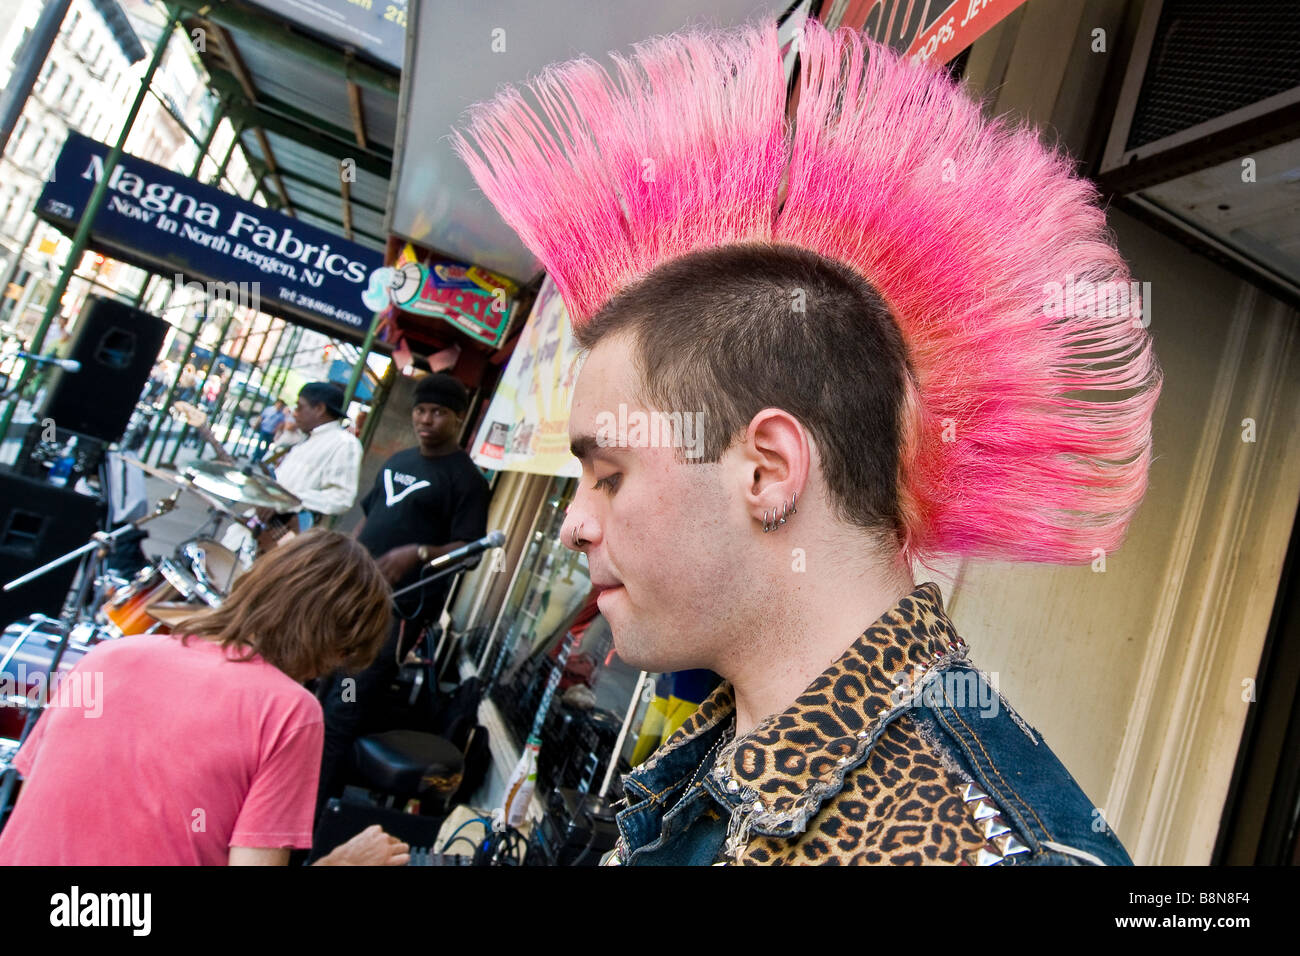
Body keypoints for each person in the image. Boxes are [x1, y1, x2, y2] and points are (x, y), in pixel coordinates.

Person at [452, 20, 1162, 865]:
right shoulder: (719, 760)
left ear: (767, 472)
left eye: (608, 473)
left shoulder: (990, 852)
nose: (573, 524)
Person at [0, 530, 409, 865]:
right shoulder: (290, 711)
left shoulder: (107, 655)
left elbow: (32, 804)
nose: (326, 671)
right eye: (341, 654)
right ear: (331, 637)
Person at [314, 372, 491, 815]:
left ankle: (314, 817)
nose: (426, 420)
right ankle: (294, 793)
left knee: (344, 707)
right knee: (319, 691)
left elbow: (470, 551)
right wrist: (344, 561)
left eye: (438, 412)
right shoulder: (399, 461)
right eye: (420, 410)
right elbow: (369, 518)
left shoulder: (466, 480)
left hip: (395, 615)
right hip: (350, 599)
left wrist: (418, 552)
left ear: (459, 418)